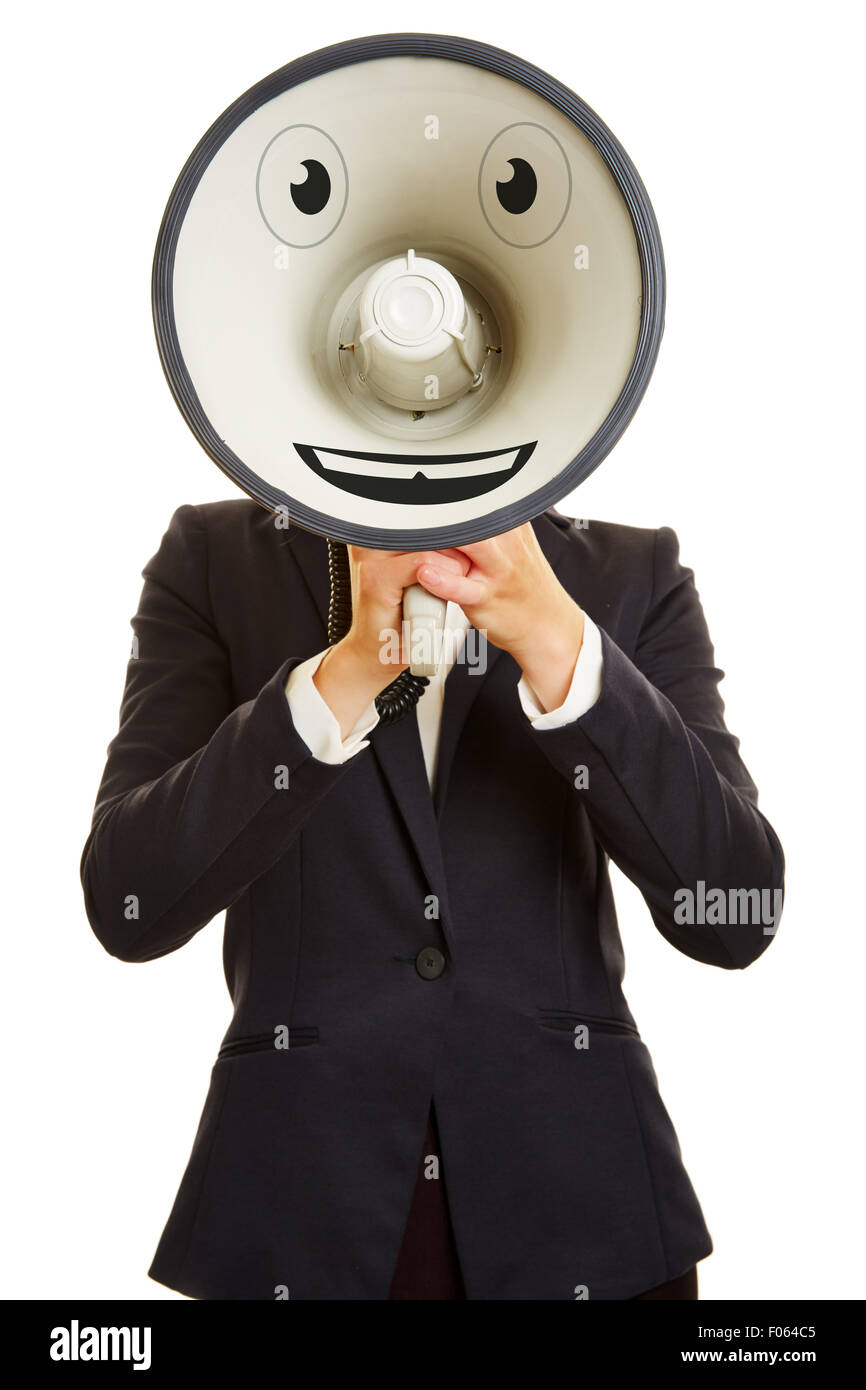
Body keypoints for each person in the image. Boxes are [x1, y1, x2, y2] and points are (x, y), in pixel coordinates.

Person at [80, 500, 784, 1300]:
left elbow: (738, 908)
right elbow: (128, 900)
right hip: (295, 1214)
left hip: (589, 1215)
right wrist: (346, 673)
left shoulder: (632, 568)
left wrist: (558, 638)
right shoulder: (213, 555)